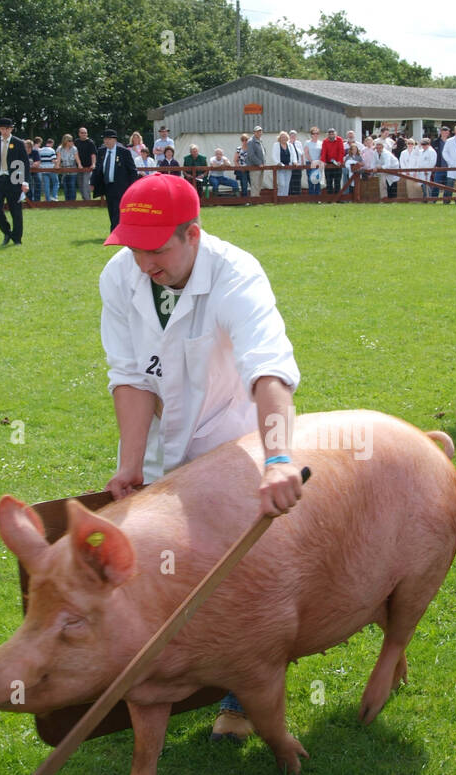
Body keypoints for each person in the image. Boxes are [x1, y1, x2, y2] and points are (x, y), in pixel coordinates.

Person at [98, 173, 303, 744]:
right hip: (163, 444)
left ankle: (239, 697)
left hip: (232, 440)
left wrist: (279, 455)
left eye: (157, 248)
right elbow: (131, 375)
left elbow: (269, 368)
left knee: (239, 576)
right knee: (159, 566)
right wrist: (131, 464)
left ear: (193, 234)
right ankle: (166, 683)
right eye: (134, 248)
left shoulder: (237, 275)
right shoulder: (120, 277)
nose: (144, 264)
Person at [0, 116, 30, 245]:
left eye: (7, 129)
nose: (4, 131)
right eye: (2, 129)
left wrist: (24, 181)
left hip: (14, 179)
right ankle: (7, 232)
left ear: (11, 129)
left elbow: (25, 163)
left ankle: (17, 239)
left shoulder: (18, 143)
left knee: (15, 210)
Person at [96, 128, 139, 232]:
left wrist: (132, 186)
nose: (106, 141)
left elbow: (133, 170)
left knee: (118, 209)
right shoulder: (101, 151)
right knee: (111, 209)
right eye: (105, 139)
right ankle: (116, 230)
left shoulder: (123, 152)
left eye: (108, 139)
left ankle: (115, 231)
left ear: (114, 140)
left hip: (121, 186)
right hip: (108, 185)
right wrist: (93, 182)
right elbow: (98, 168)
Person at [320, 128, 345, 195]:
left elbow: (341, 151)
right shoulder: (325, 141)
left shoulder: (339, 140)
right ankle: (329, 198)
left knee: (337, 182)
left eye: (332, 133)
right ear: (328, 134)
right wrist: (323, 161)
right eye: (330, 133)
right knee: (328, 182)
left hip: (337, 164)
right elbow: (323, 152)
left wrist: (340, 161)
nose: (331, 135)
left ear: (335, 134)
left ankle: (337, 198)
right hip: (328, 164)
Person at [245, 126, 267, 198]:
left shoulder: (261, 141)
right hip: (254, 167)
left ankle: (257, 199)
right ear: (254, 132)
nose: (259, 133)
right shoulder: (251, 141)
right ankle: (254, 200)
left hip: (261, 166)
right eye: (257, 131)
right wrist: (259, 163)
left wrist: (263, 163)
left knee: (259, 184)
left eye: (260, 131)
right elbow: (251, 155)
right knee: (255, 184)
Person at [76, 127, 97, 200]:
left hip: (88, 167)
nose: (84, 134)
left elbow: (93, 154)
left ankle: (88, 200)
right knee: (80, 184)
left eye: (85, 133)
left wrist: (93, 164)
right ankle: (84, 200)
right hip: (79, 167)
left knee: (86, 184)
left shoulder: (90, 142)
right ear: (79, 134)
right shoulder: (76, 142)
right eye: (82, 133)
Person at [58, 133, 80, 200]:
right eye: (69, 140)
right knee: (65, 186)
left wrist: (79, 165)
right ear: (65, 141)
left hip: (72, 169)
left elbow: (77, 158)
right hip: (64, 169)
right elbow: (58, 159)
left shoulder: (74, 148)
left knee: (72, 186)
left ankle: (72, 202)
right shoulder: (60, 148)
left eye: (71, 140)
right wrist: (57, 165)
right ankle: (67, 202)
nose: (71, 142)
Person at [271, 132, 292, 197]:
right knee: (281, 183)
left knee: (287, 184)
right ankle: (280, 197)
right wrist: (278, 163)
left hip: (288, 167)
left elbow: (293, 155)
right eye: (282, 137)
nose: (284, 138)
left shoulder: (290, 145)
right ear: (279, 138)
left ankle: (285, 198)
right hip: (280, 167)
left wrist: (294, 161)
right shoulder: (276, 145)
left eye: (285, 137)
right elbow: (273, 155)